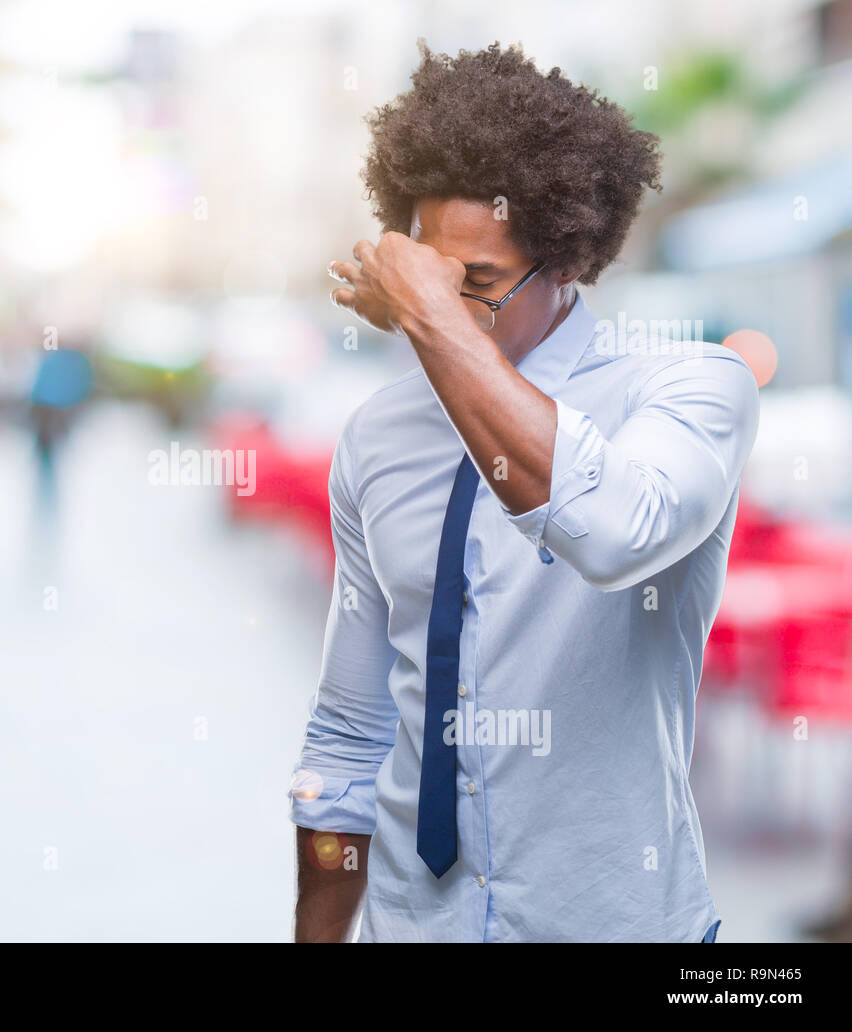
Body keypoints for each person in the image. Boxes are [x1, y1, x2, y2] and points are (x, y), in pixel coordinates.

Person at [290, 42, 759, 942]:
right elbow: (348, 738)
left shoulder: (689, 390)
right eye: (429, 280)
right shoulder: (378, 436)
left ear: (570, 262)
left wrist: (429, 316)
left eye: (481, 288)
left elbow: (614, 532)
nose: (452, 313)